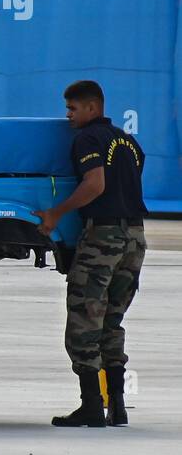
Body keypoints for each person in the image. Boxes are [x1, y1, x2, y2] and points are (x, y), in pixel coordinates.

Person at [34, 80, 147, 428]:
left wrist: (56, 212)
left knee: (85, 319)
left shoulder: (87, 139)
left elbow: (95, 184)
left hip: (103, 237)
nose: (67, 116)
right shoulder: (129, 142)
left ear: (92, 108)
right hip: (135, 235)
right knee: (112, 320)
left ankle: (91, 405)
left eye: (72, 109)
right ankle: (117, 405)